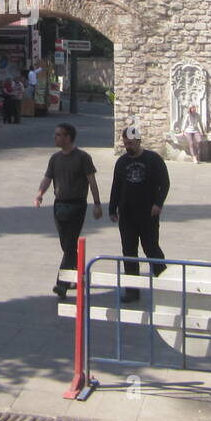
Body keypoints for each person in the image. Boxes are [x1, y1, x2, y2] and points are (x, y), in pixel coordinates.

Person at [35, 122, 102, 299]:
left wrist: (97, 203)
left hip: (77, 206)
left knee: (69, 245)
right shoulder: (55, 158)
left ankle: (62, 285)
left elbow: (92, 181)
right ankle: (79, 274)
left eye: (59, 135)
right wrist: (40, 194)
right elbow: (47, 178)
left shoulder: (82, 157)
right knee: (67, 246)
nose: (55, 137)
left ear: (68, 137)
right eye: (56, 134)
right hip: (59, 206)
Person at [108, 125, 170, 302]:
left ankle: (165, 285)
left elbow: (164, 183)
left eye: (131, 143)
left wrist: (158, 204)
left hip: (148, 213)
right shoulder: (121, 162)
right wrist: (112, 208)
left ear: (139, 141)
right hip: (127, 214)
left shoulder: (153, 160)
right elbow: (116, 186)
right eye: (126, 143)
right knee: (129, 251)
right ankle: (132, 290)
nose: (128, 146)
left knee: (151, 248)